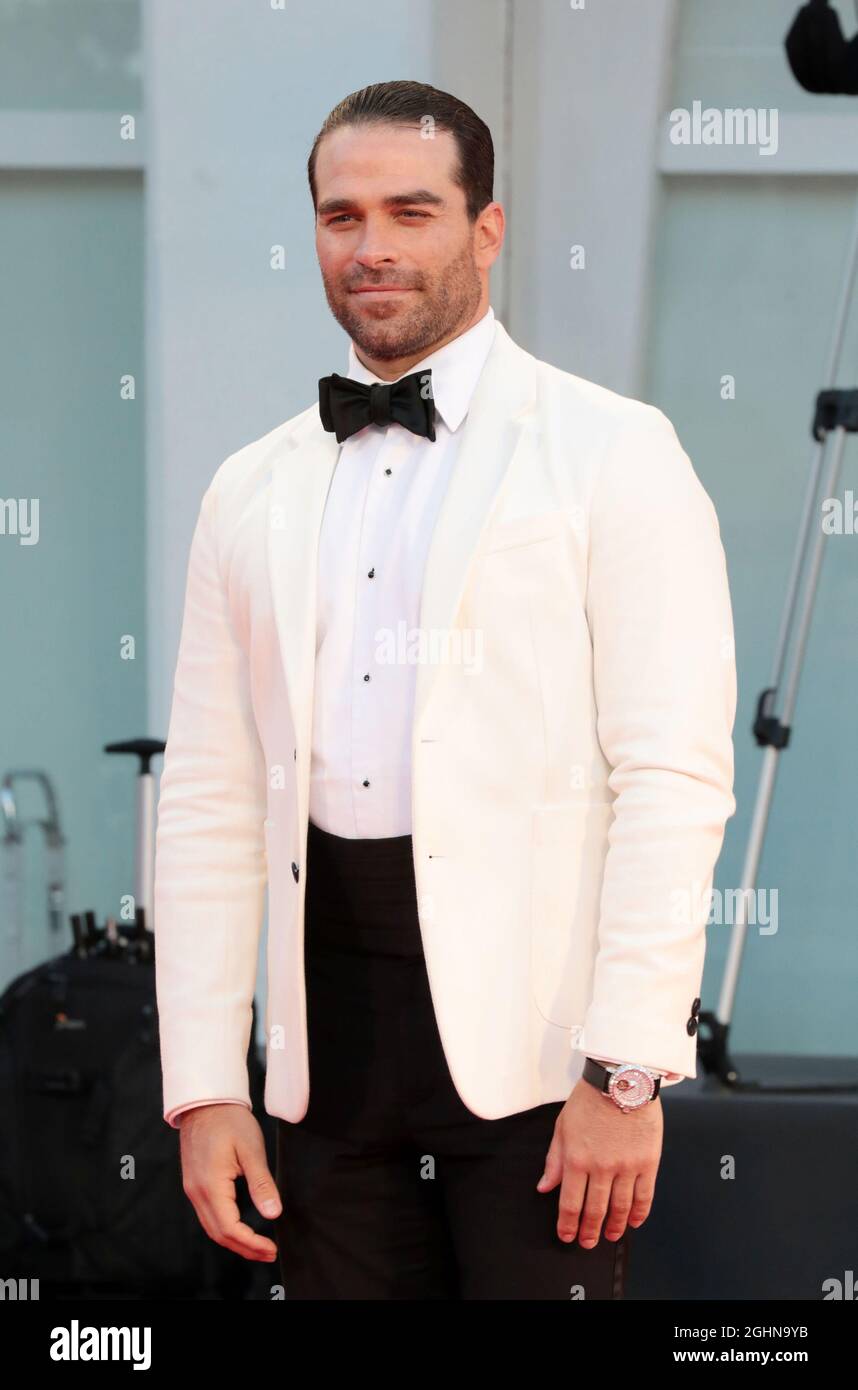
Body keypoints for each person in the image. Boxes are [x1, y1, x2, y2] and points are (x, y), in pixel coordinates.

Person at [154, 79, 737, 1300]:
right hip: (322, 1063)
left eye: (410, 212)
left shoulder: (615, 451)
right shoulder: (248, 487)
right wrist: (204, 1084)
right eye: (342, 216)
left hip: (543, 1069)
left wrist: (629, 1068)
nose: (371, 247)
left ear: (487, 228)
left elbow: (673, 776)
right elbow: (209, 798)